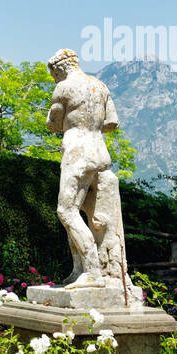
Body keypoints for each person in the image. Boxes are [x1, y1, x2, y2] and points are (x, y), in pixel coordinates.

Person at [44, 48, 133, 298]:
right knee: (93, 214)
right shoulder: (100, 85)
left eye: (53, 73)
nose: (54, 78)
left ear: (60, 67)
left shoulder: (64, 87)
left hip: (78, 153)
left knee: (67, 210)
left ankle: (92, 271)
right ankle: (82, 269)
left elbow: (53, 123)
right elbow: (111, 123)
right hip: (100, 152)